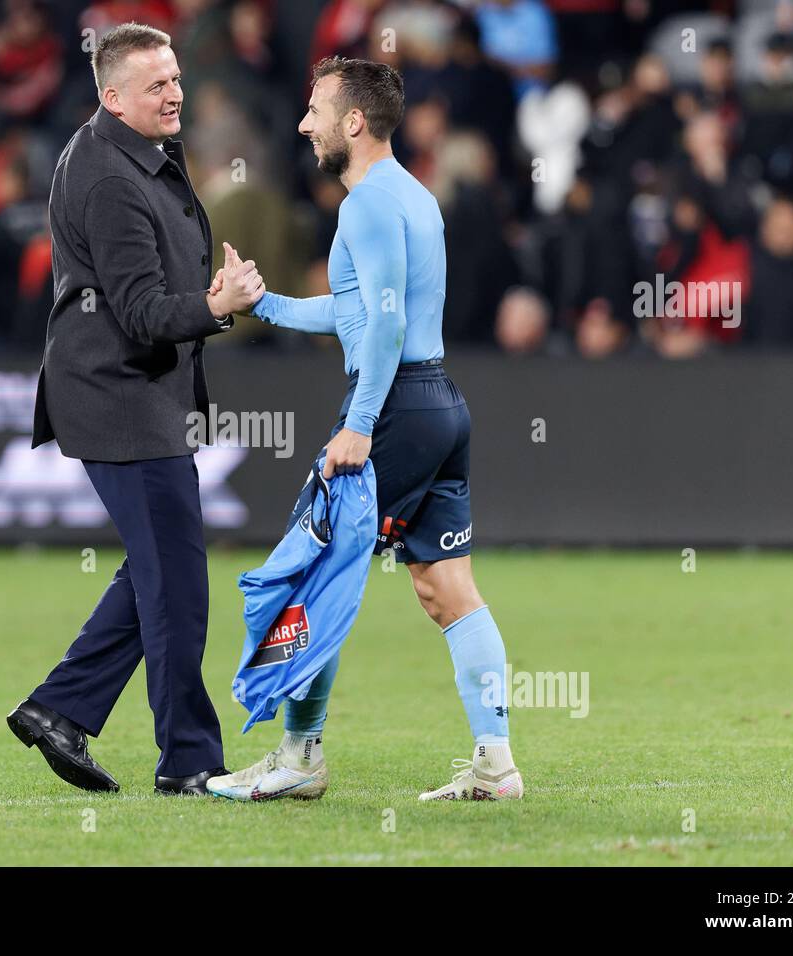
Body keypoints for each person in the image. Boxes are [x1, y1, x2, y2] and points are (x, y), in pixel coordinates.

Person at [206, 57, 524, 803]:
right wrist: (266, 303)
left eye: (315, 108)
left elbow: (380, 327)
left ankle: (299, 757)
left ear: (353, 121)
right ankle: (496, 763)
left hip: (394, 411)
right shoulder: (411, 198)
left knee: (313, 576)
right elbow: (361, 315)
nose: (303, 123)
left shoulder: (366, 207)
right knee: (448, 588)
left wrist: (358, 424)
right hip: (440, 402)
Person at [6, 22, 263, 797]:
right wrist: (217, 303)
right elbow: (144, 312)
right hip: (117, 396)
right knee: (177, 584)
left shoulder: (120, 152)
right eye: (157, 84)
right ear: (112, 97)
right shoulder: (111, 176)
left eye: (177, 77)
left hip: (132, 390)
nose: (176, 91)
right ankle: (188, 760)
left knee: (157, 572)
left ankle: (60, 709)